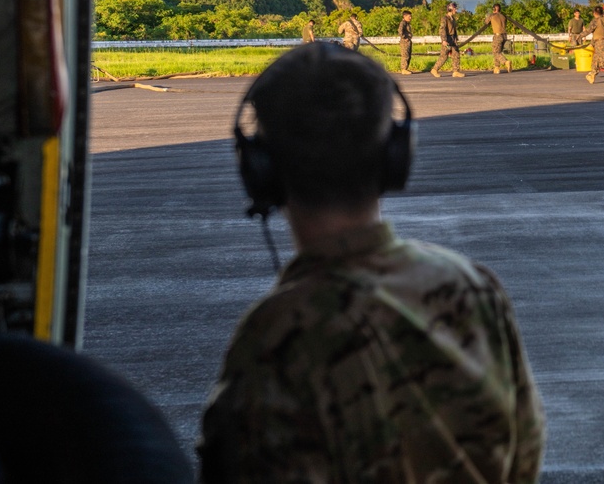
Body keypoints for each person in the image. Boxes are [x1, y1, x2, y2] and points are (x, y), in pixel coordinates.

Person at [199, 43, 546, 483]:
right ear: (395, 156)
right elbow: (524, 451)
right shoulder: (473, 288)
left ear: (260, 169)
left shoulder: (277, 338)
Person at [580, 6, 604, 85]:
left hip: (599, 42)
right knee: (595, 60)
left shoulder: (595, 21)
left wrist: (579, 36)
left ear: (594, 13)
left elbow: (589, 30)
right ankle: (592, 75)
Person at [431, 2, 465, 78]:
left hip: (453, 39)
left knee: (456, 55)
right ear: (450, 9)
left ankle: (456, 71)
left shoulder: (453, 19)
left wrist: (456, 38)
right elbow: (442, 29)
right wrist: (443, 40)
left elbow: (454, 30)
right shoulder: (445, 18)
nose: (456, 10)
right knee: (444, 56)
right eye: (455, 8)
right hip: (447, 39)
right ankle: (434, 69)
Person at [485, 3, 512, 74]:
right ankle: (497, 68)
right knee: (498, 51)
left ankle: (506, 62)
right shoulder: (503, 16)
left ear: (494, 9)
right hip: (504, 36)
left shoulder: (492, 15)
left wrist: (488, 16)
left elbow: (486, 22)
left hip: (497, 35)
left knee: (496, 52)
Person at [398, 9, 414, 74]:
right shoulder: (403, 23)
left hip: (408, 41)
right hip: (405, 42)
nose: (410, 18)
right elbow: (400, 31)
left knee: (408, 55)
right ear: (404, 16)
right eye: (409, 16)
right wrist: (404, 37)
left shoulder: (407, 23)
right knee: (405, 55)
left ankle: (406, 69)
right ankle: (403, 69)